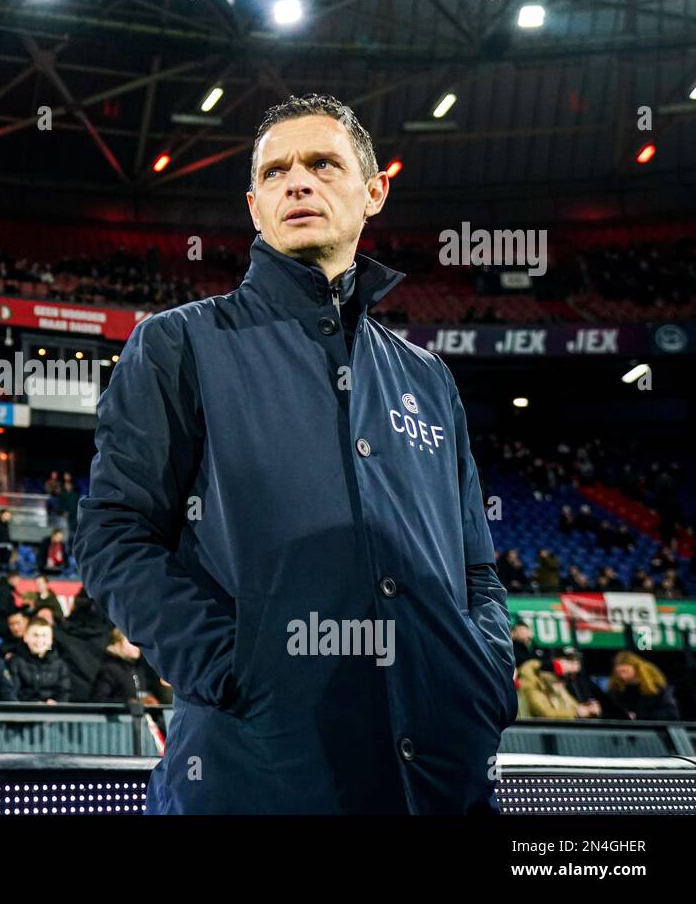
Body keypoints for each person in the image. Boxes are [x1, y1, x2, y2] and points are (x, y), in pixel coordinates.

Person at [74, 93, 516, 814]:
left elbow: (475, 566)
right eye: (275, 172)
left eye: (322, 164)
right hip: (258, 771)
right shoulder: (179, 344)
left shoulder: (427, 378)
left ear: (373, 193)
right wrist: (230, 667)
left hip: (445, 773)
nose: (297, 182)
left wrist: (487, 674)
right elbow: (113, 532)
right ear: (255, 207)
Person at [89, 628, 163, 705]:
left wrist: (149, 699)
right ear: (117, 644)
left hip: (139, 715)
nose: (138, 646)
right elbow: (98, 701)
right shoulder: (109, 669)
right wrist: (129, 702)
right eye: (132, 642)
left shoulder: (139, 669)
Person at [7, 617, 70, 703]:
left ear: (51, 640)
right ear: (26, 637)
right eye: (35, 635)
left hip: (53, 714)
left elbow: (64, 692)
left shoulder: (60, 665)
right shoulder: (15, 662)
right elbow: (12, 693)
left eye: (44, 636)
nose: (40, 640)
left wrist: (56, 703)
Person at [607, 651, 680, 720]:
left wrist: (638, 716)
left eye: (625, 671)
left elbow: (671, 714)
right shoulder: (616, 689)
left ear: (636, 668)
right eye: (619, 672)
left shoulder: (656, 688)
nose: (622, 676)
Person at [516, 657, 581, 720]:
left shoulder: (547, 684)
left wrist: (583, 709)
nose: (563, 681)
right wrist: (576, 713)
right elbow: (546, 714)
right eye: (561, 677)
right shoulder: (531, 687)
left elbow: (572, 704)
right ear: (547, 674)